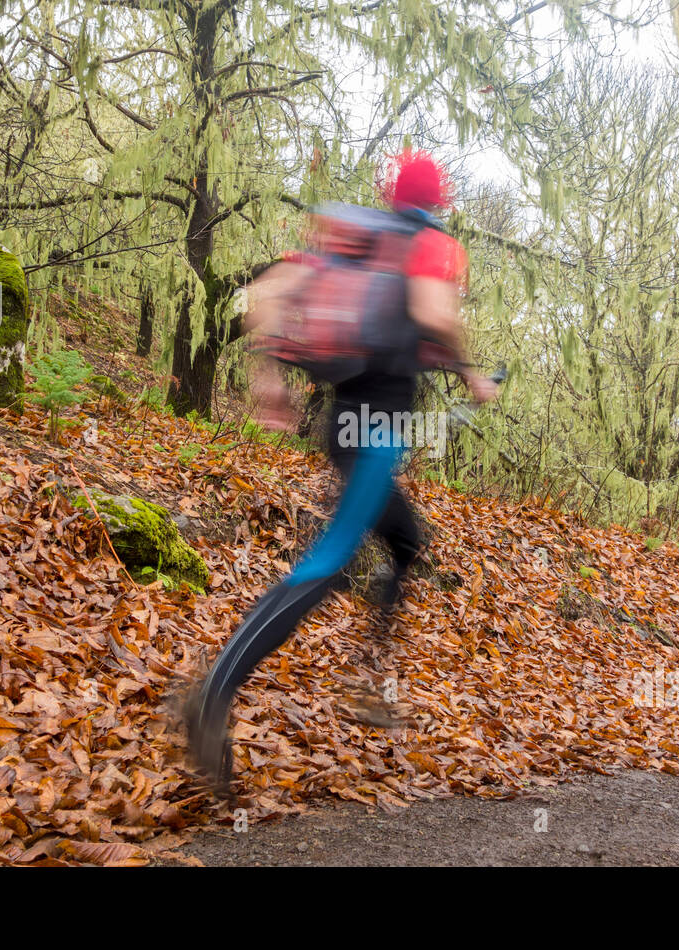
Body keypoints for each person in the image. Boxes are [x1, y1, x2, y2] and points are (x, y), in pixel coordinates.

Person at [181, 150, 497, 793]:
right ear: (437, 201)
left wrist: (270, 381)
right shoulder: (429, 246)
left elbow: (264, 296)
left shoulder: (355, 241)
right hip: (377, 428)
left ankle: (369, 684)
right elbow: (435, 315)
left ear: (390, 193)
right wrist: (468, 372)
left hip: (346, 423)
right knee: (329, 564)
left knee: (406, 542)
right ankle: (212, 693)